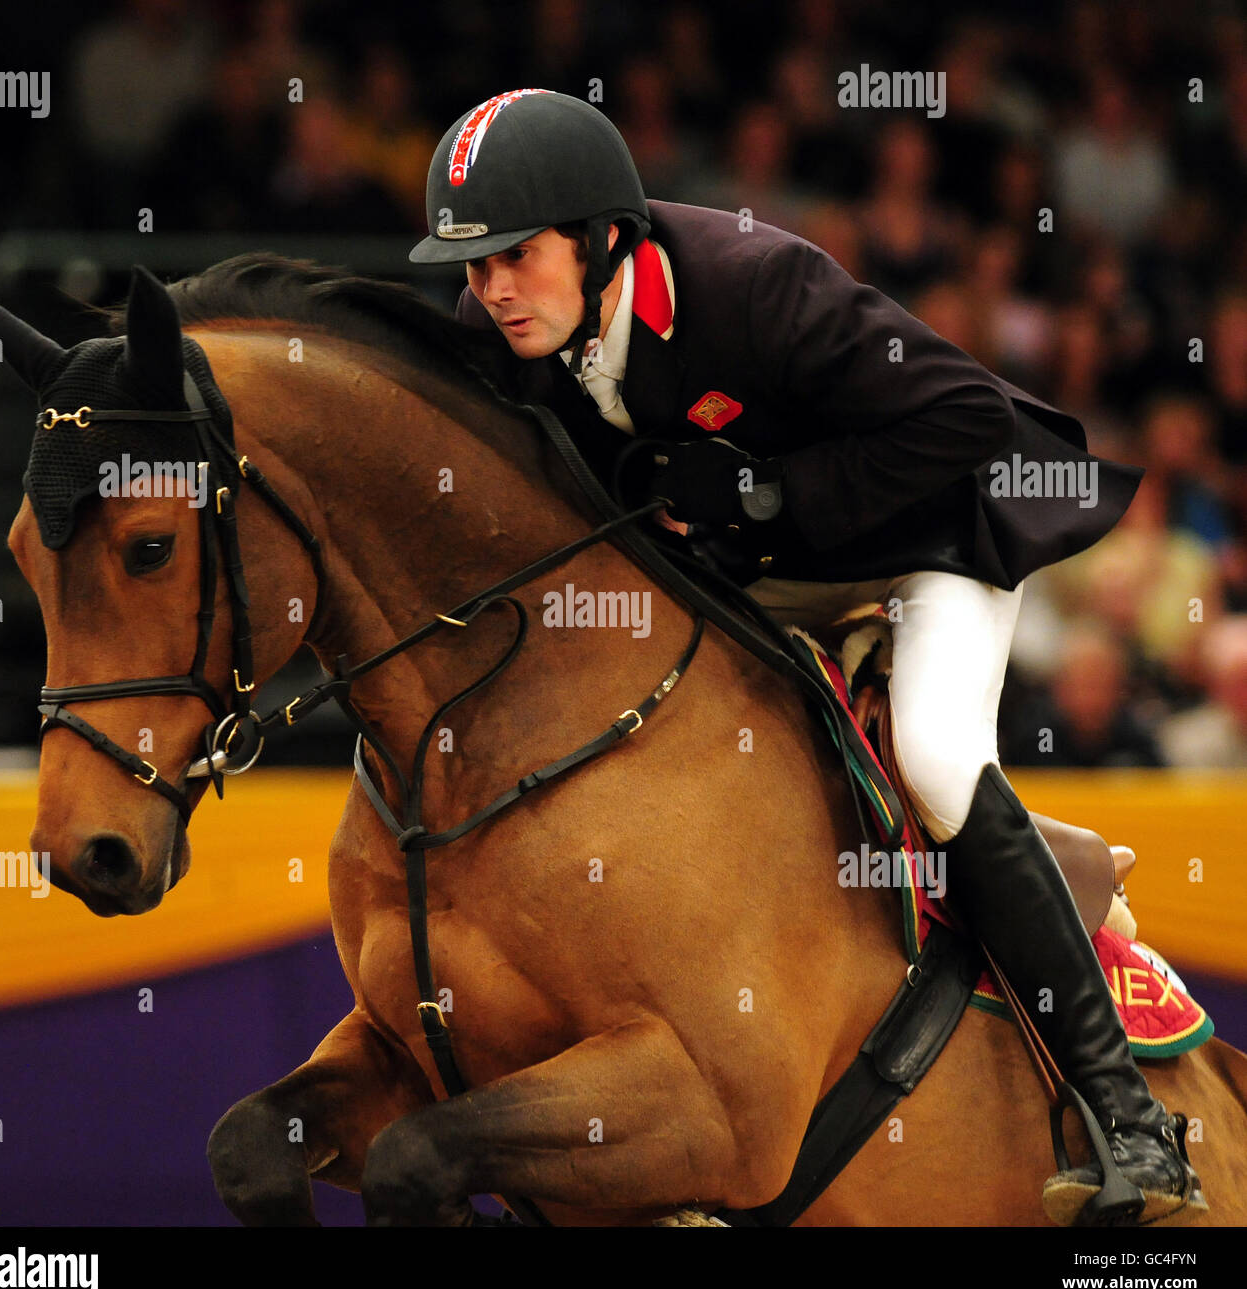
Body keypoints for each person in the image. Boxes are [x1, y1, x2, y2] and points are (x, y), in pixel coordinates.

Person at [408, 89, 1201, 1225]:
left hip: (932, 537)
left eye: (512, 258)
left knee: (930, 760)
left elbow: (964, 420)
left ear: (597, 239)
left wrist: (768, 488)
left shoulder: (754, 286)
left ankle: (1132, 1121)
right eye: (472, 266)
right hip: (772, 558)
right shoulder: (530, 335)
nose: (488, 290)